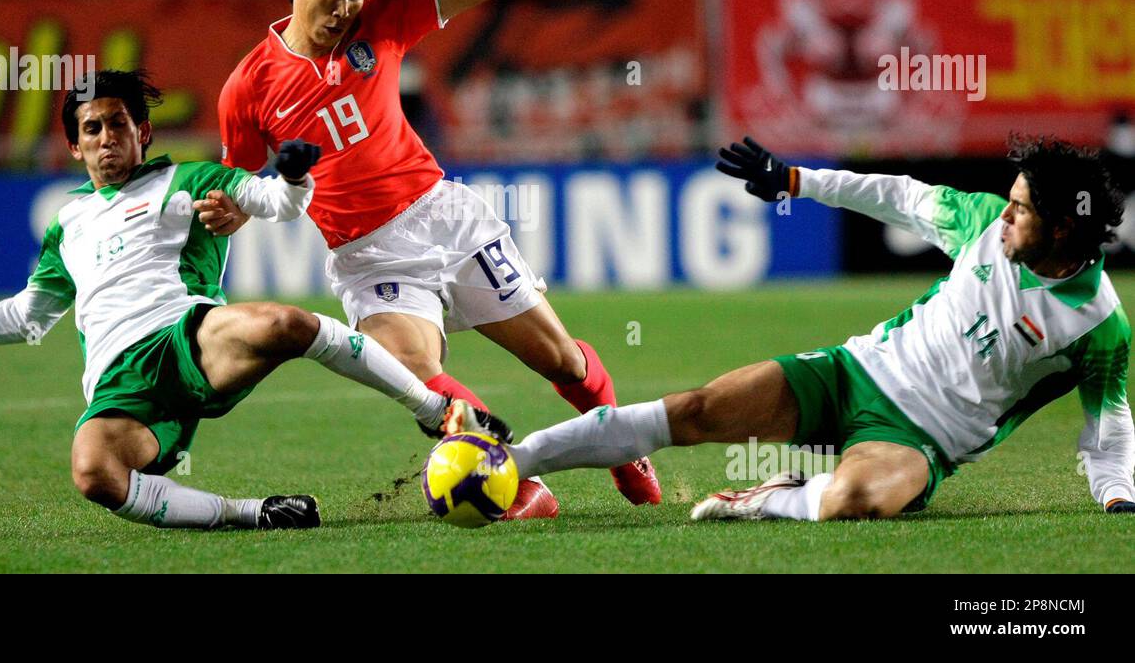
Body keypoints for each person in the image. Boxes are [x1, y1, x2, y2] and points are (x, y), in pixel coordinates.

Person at [0, 70, 507, 531]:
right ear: (75, 145)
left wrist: (292, 174)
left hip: (191, 336)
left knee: (285, 322)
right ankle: (250, 514)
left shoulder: (191, 178)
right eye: (93, 129)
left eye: (119, 123)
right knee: (94, 473)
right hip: (118, 383)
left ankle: (434, 409)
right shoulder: (68, 224)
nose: (107, 137)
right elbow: (27, 317)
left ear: (142, 130)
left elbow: (277, 206)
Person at [208, 0, 660, 516]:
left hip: (444, 218)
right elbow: (241, 182)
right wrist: (233, 208)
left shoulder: (384, 20)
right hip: (368, 257)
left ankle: (621, 444)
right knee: (416, 372)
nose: (344, 9)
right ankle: (510, 476)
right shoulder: (248, 86)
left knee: (558, 358)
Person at [459, 135, 1135, 520]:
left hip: (918, 440)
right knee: (693, 410)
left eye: (1021, 209)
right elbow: (896, 196)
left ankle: (765, 498)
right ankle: (512, 461)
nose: (1007, 215)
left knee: (857, 499)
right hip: (852, 372)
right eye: (1011, 202)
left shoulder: (1097, 323)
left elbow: (1108, 425)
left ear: (1065, 226)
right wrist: (796, 179)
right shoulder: (983, 222)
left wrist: (1118, 496)